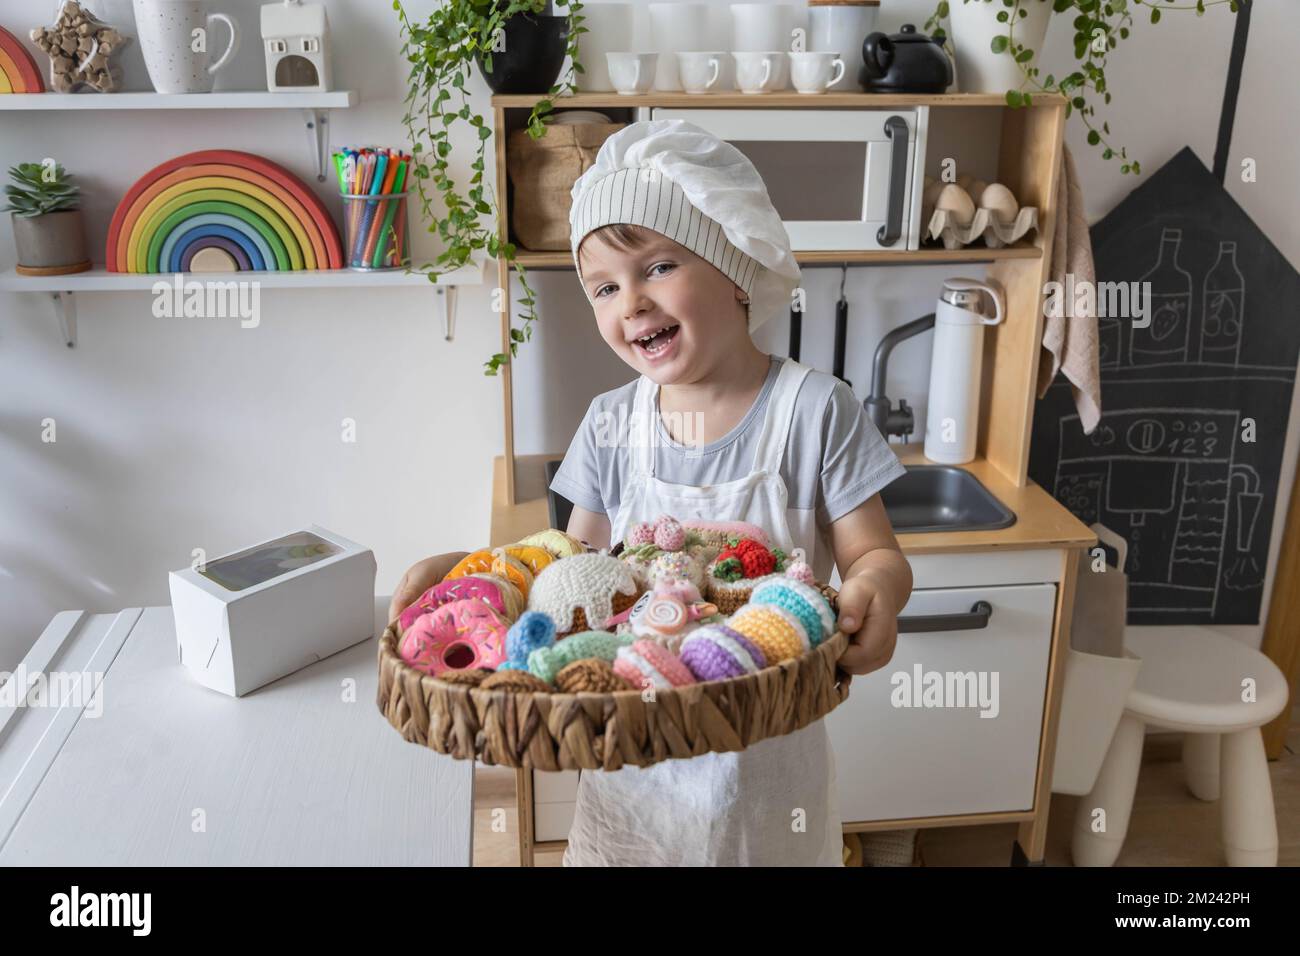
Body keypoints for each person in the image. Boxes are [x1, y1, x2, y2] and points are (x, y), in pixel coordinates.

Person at [389, 119, 913, 866]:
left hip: (764, 763)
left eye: (659, 266)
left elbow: (877, 555)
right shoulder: (610, 424)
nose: (630, 301)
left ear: (736, 269)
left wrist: (876, 595)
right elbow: (570, 571)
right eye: (604, 286)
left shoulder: (815, 411)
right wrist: (472, 570)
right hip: (631, 759)